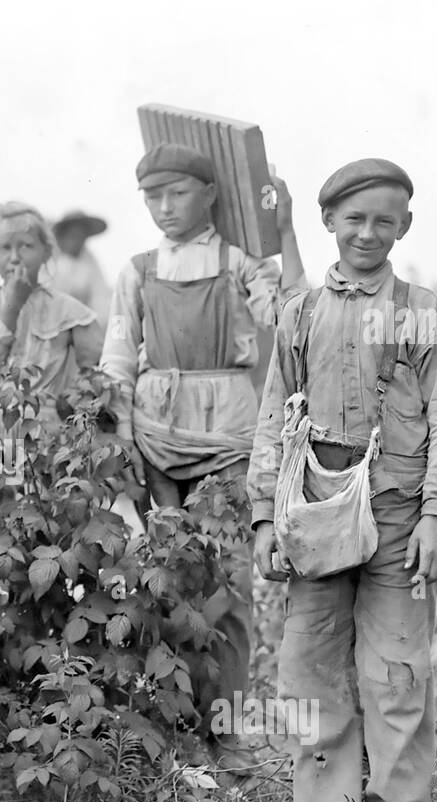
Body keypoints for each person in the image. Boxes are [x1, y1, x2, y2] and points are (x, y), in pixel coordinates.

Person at [247, 158, 437, 802]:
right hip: (316, 512)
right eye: (353, 220)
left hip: (399, 516)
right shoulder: (299, 313)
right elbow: (271, 419)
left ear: (404, 226)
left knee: (397, 665)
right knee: (309, 665)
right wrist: (262, 515)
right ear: (328, 223)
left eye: (383, 221)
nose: (367, 234)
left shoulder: (422, 310)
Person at [99, 143, 307, 768]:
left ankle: (231, 733)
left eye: (178, 193)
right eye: (153, 197)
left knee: (229, 588)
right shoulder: (137, 270)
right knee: (168, 585)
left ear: (210, 194)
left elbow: (296, 317)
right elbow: (116, 357)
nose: (165, 208)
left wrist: (287, 229)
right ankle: (174, 733)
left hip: (229, 438)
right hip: (157, 434)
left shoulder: (242, 263)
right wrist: (117, 437)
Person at [0, 202, 103, 460]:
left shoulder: (70, 311)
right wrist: (12, 306)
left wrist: (77, 411)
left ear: (47, 251)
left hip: (41, 435)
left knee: (38, 497)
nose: (15, 257)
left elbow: (95, 375)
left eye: (26, 245)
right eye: (5, 247)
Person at [51, 209, 112, 337]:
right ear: (63, 235)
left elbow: (101, 298)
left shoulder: (89, 261)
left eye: (82, 236)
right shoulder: (49, 261)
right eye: (73, 235)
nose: (78, 241)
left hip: (82, 330)